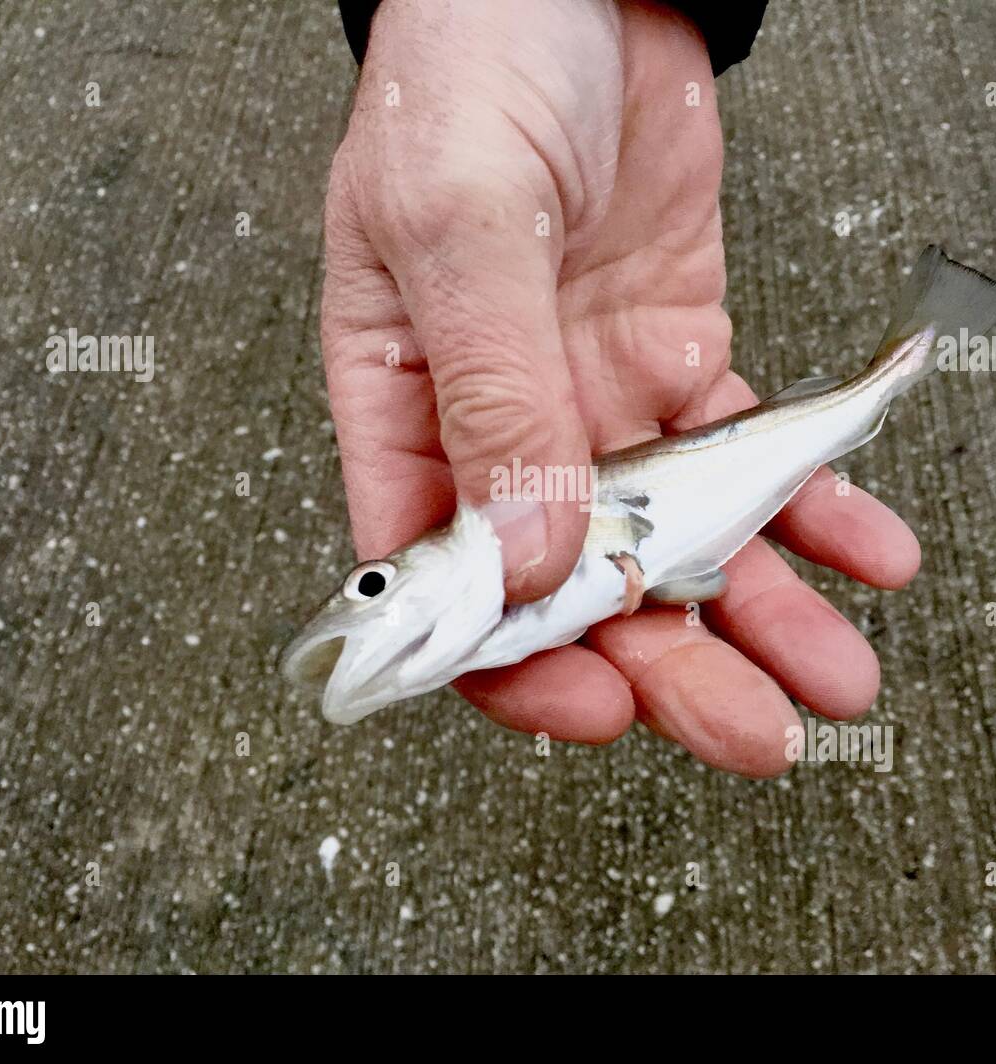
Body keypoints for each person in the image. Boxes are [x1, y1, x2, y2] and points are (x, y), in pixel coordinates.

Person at [319, 0, 920, 777]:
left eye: (374, 586)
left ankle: (914, 349)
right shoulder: (492, 622)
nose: (375, 601)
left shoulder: (509, 530)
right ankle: (919, 345)